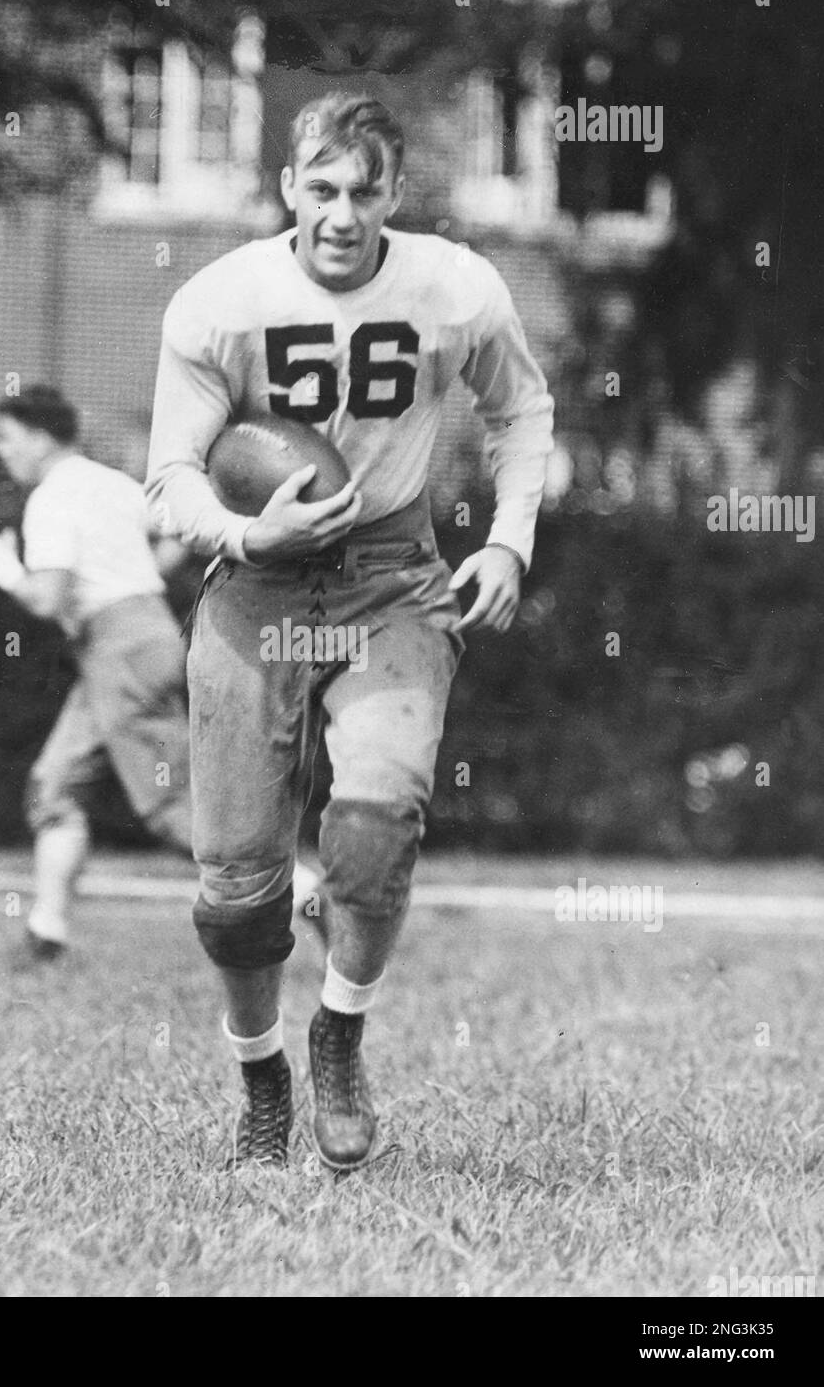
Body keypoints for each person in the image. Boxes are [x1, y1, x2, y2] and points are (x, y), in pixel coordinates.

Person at [145, 94, 554, 1170]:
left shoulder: (453, 286)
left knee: (376, 824)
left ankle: (340, 1030)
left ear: (394, 191)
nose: (341, 213)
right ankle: (260, 1078)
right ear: (287, 187)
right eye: (320, 188)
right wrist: (245, 527)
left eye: (363, 190)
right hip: (254, 585)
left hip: (390, 578)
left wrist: (507, 539)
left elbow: (522, 409)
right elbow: (168, 478)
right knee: (236, 896)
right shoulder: (218, 303)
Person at [0, 384, 194, 964]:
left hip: (117, 649)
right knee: (54, 785)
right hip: (140, 636)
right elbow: (180, 533)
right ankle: (47, 931)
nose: (2, 452)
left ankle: (301, 890)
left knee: (176, 811)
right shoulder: (115, 483)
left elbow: (48, 598)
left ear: (41, 436)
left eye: (8, 438)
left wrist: (2, 569)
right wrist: (139, 578)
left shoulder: (50, 498)